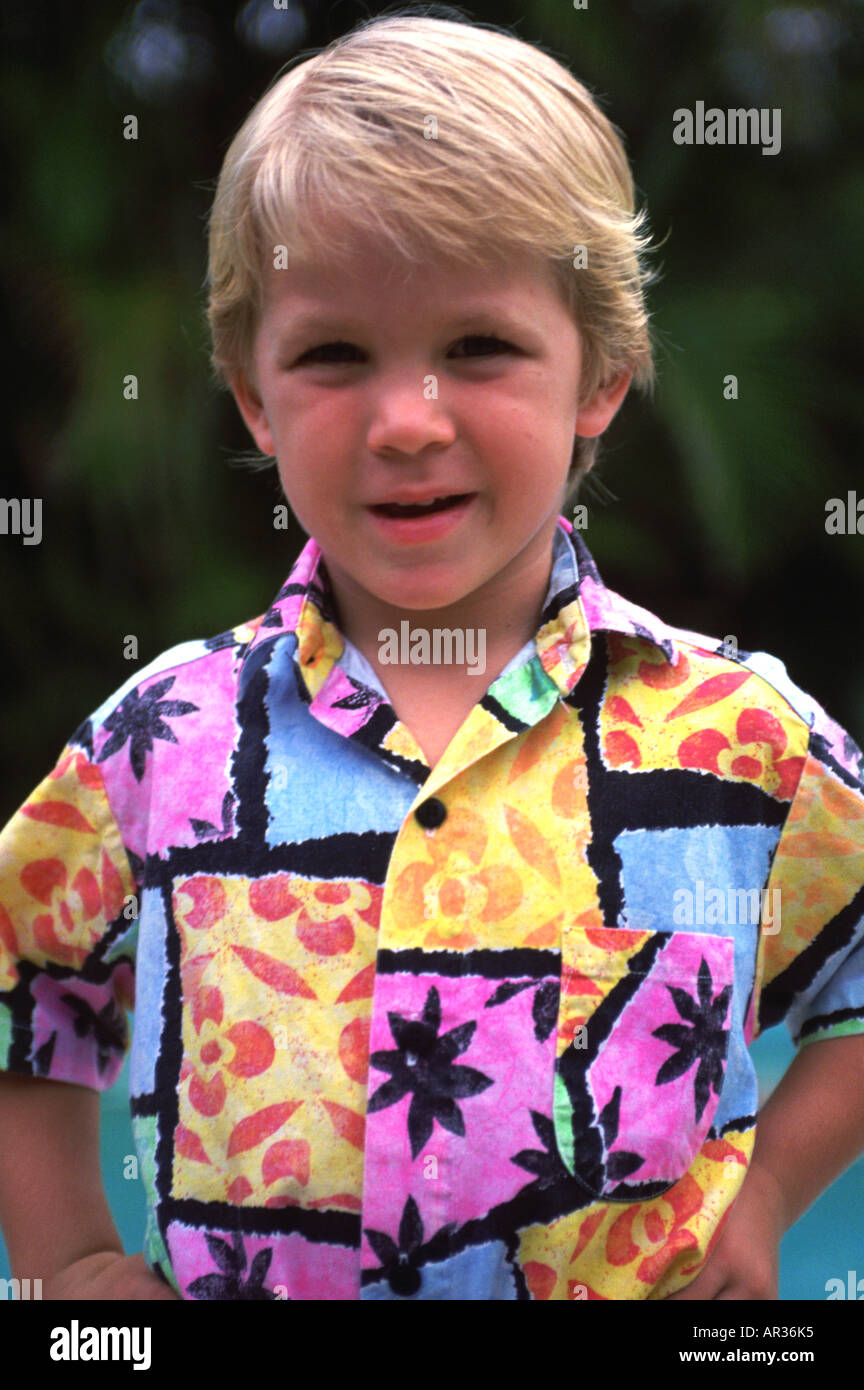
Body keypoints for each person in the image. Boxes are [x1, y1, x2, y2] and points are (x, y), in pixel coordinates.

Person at [1, 9, 863, 1303]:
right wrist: (68, 1252)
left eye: (479, 348)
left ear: (601, 375)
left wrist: (772, 1196)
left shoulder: (741, 740)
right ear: (253, 391)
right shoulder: (157, 743)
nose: (408, 422)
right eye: (336, 355)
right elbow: (30, 986)